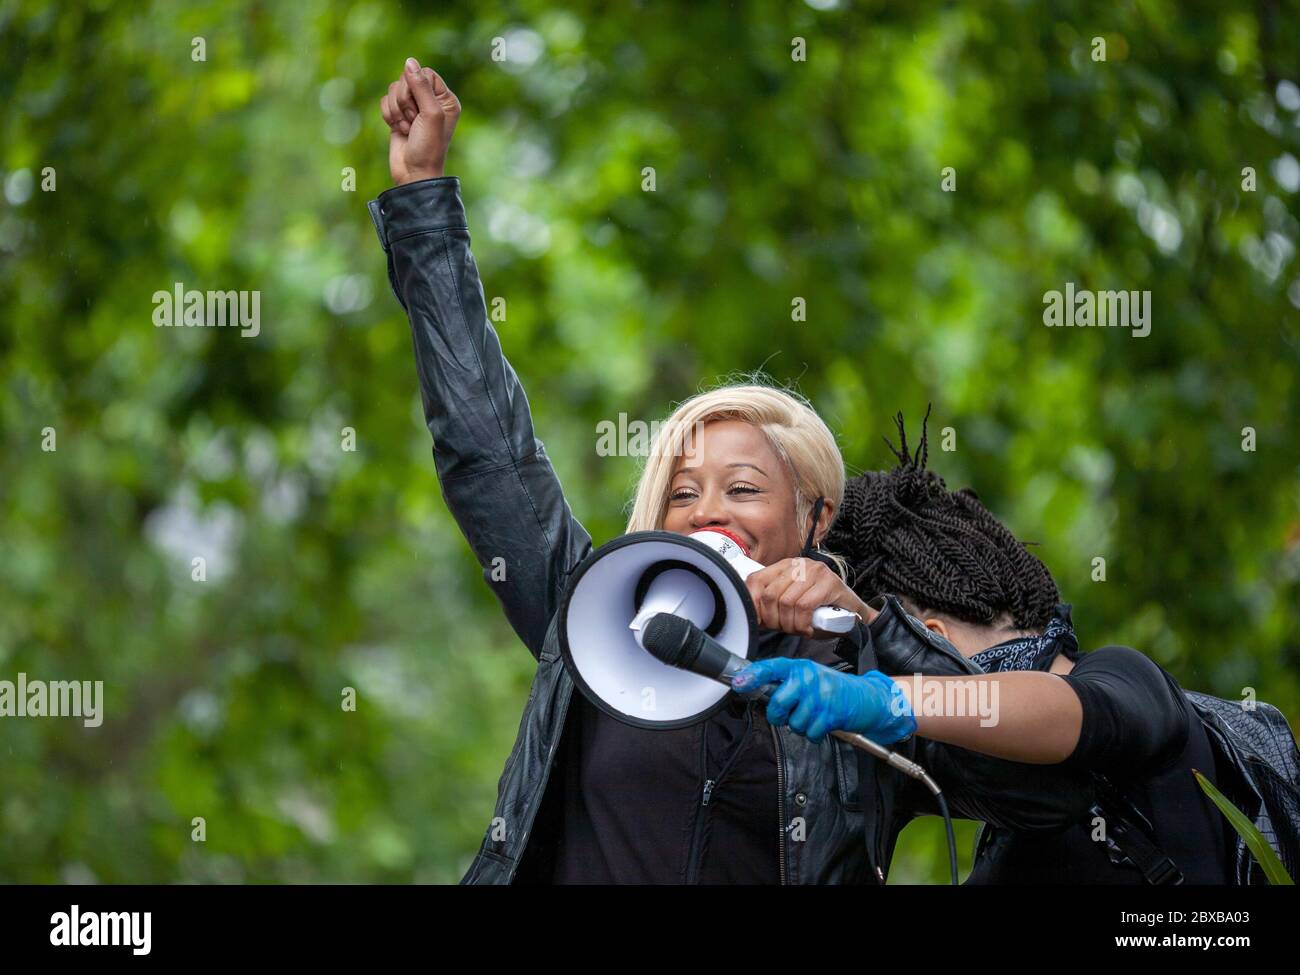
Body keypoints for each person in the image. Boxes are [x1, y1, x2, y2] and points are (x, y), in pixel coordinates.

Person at [370, 58, 1093, 884]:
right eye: (682, 491)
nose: (707, 508)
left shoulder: (857, 678)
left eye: (743, 488)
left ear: (816, 517)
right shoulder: (589, 617)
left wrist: (871, 630)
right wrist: (424, 197)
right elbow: (484, 446)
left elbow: (1052, 790)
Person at [736, 412, 1234, 883]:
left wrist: (882, 683)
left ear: (933, 634)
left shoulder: (1125, 677)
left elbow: (1067, 715)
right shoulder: (1001, 827)